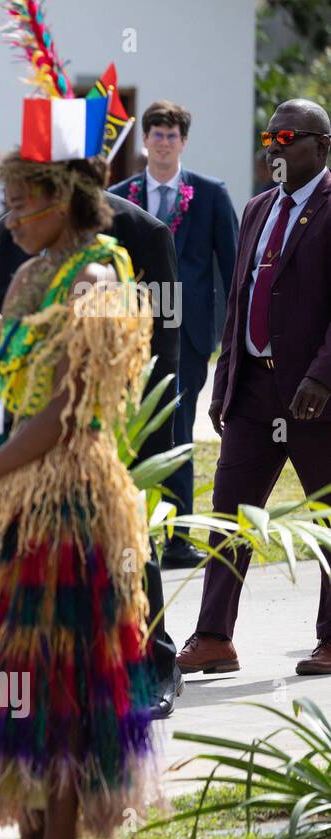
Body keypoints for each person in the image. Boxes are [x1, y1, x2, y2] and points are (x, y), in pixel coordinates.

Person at [0, 148, 157, 839]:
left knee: (62, 680)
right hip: (6, 507)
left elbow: (64, 414)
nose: (10, 218)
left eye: (22, 203)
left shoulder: (100, 283)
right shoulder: (29, 275)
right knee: (11, 681)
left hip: (67, 506)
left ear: (62, 201)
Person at [178, 98, 331, 678]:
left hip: (316, 396)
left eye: (287, 136)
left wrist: (322, 375)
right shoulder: (257, 209)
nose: (274, 147)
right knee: (229, 519)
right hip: (252, 392)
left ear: (321, 145)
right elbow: (238, 300)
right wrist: (224, 382)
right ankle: (214, 637)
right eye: (269, 137)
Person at [110, 100, 239, 568]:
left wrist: (230, 332)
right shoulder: (120, 194)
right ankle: (135, 530)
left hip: (186, 336)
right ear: (144, 140)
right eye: (156, 134)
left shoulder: (210, 194)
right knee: (133, 430)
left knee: (177, 429)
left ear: (183, 142)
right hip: (128, 335)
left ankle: (179, 537)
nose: (163, 142)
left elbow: (234, 267)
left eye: (172, 135)